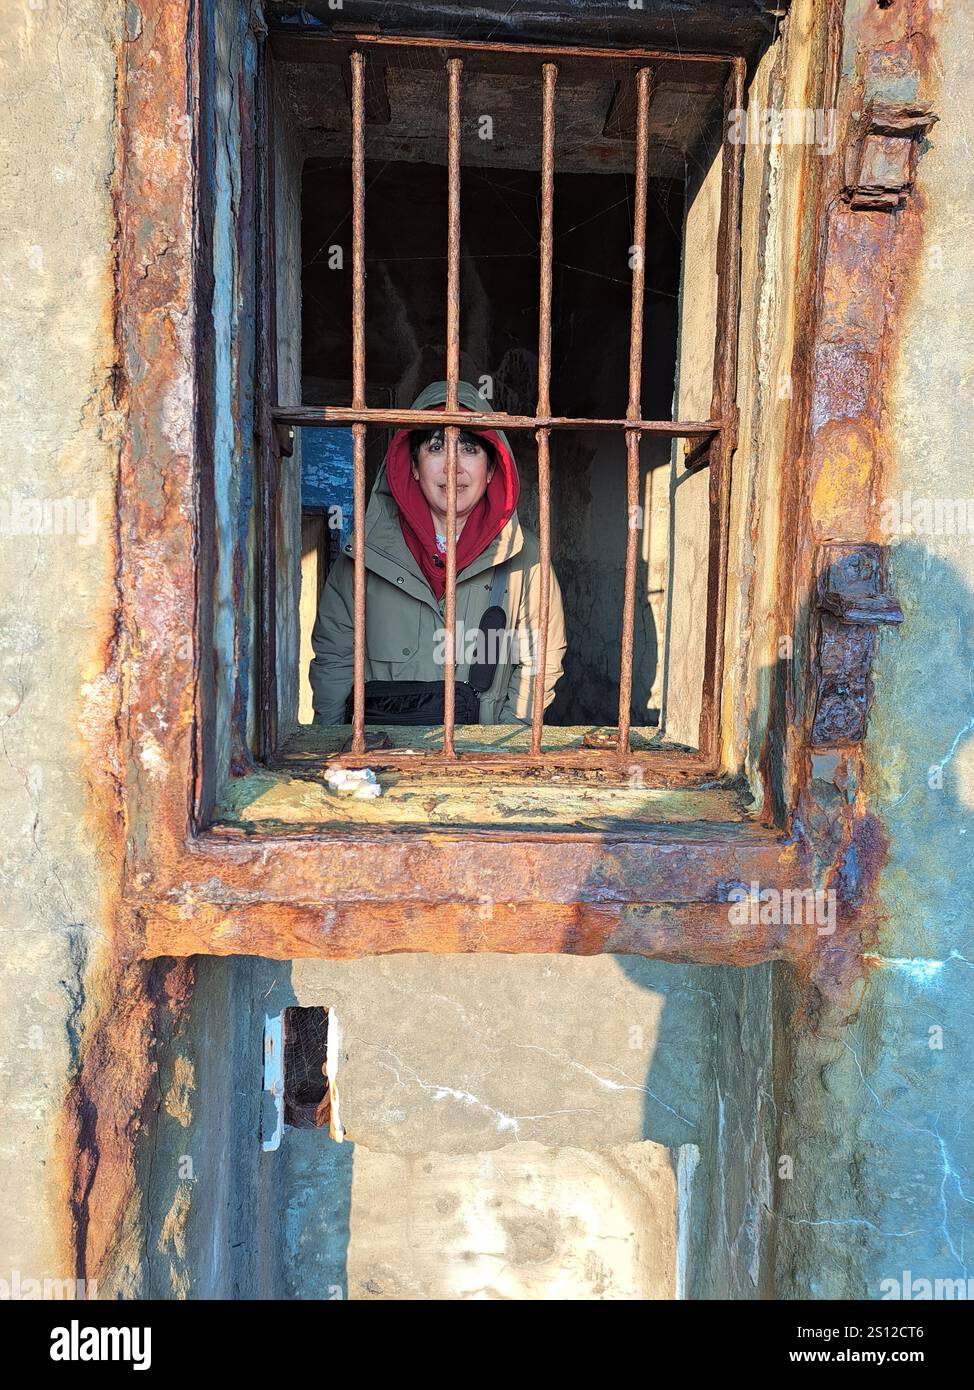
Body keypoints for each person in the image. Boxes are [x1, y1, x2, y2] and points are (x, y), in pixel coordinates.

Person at [309, 379, 566, 726]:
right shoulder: (365, 554)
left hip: (478, 767)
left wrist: (504, 745)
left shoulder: (525, 557)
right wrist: (332, 746)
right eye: (435, 447)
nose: (452, 465)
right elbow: (333, 657)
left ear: (492, 469)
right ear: (412, 466)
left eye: (470, 449)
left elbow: (540, 660)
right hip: (381, 759)